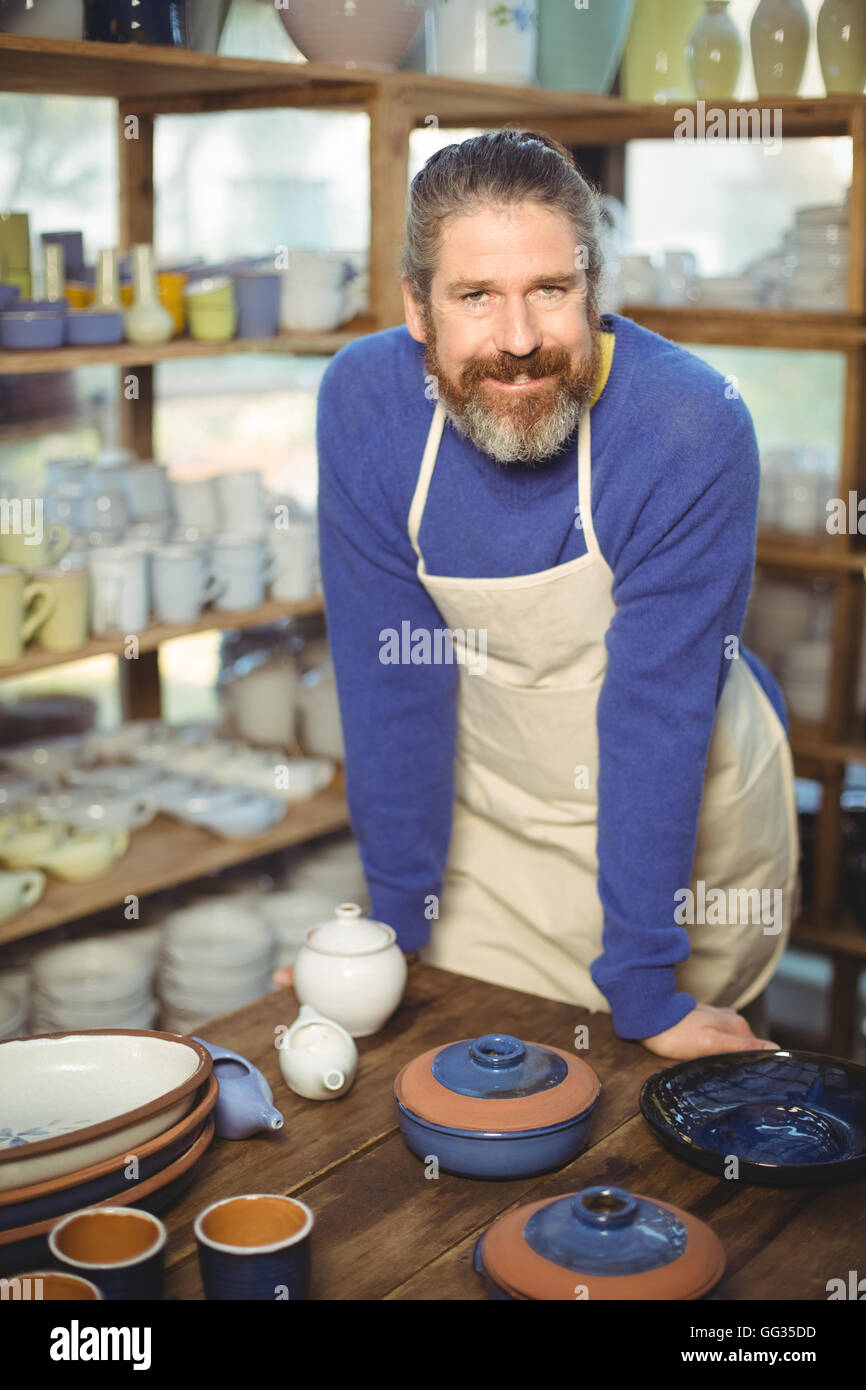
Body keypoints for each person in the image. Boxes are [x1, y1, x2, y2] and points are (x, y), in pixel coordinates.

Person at [315, 128, 799, 1060]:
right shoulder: (365, 406)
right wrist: (392, 932)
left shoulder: (689, 426)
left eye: (551, 289)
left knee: (659, 1124)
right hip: (497, 819)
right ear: (417, 308)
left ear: (594, 289)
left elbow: (655, 716)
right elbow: (392, 686)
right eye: (475, 297)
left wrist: (648, 987)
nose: (521, 341)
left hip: (686, 817)